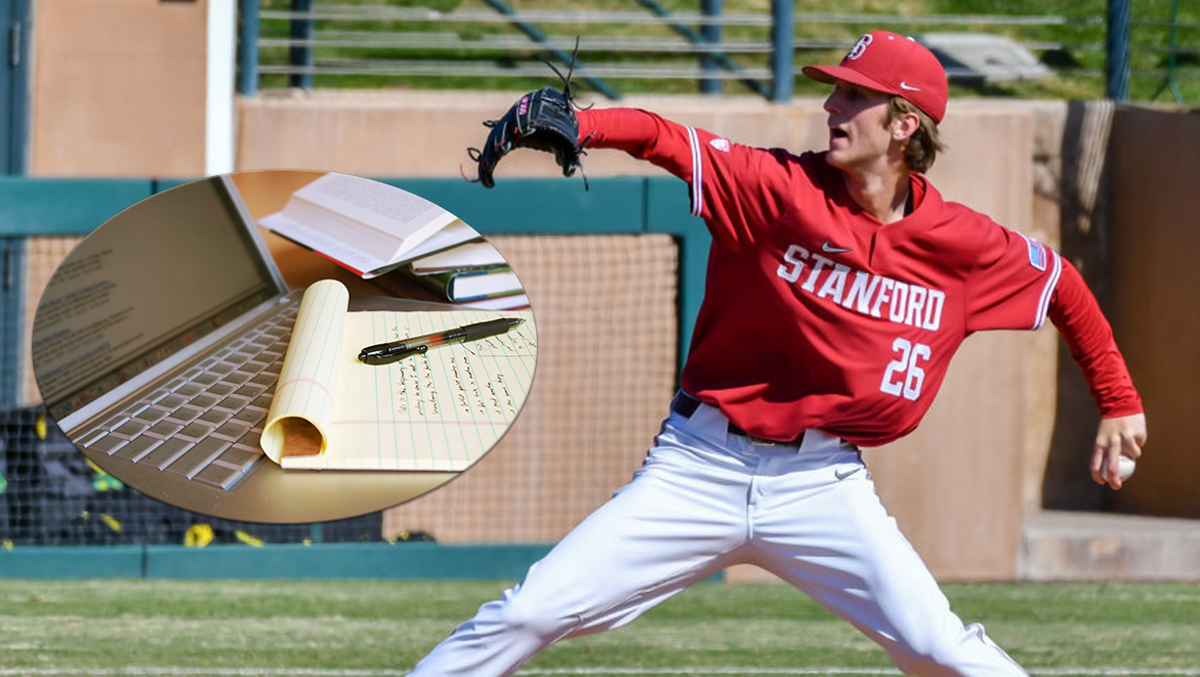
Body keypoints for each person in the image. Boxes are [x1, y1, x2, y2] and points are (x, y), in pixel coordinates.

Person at [411, 30, 1147, 676]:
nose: (831, 107)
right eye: (835, 93)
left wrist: (1118, 399)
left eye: (854, 96)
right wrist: (584, 123)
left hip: (822, 485)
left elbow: (1062, 287)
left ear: (905, 124)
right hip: (699, 468)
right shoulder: (778, 188)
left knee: (939, 649)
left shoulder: (962, 245)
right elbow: (666, 137)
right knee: (528, 614)